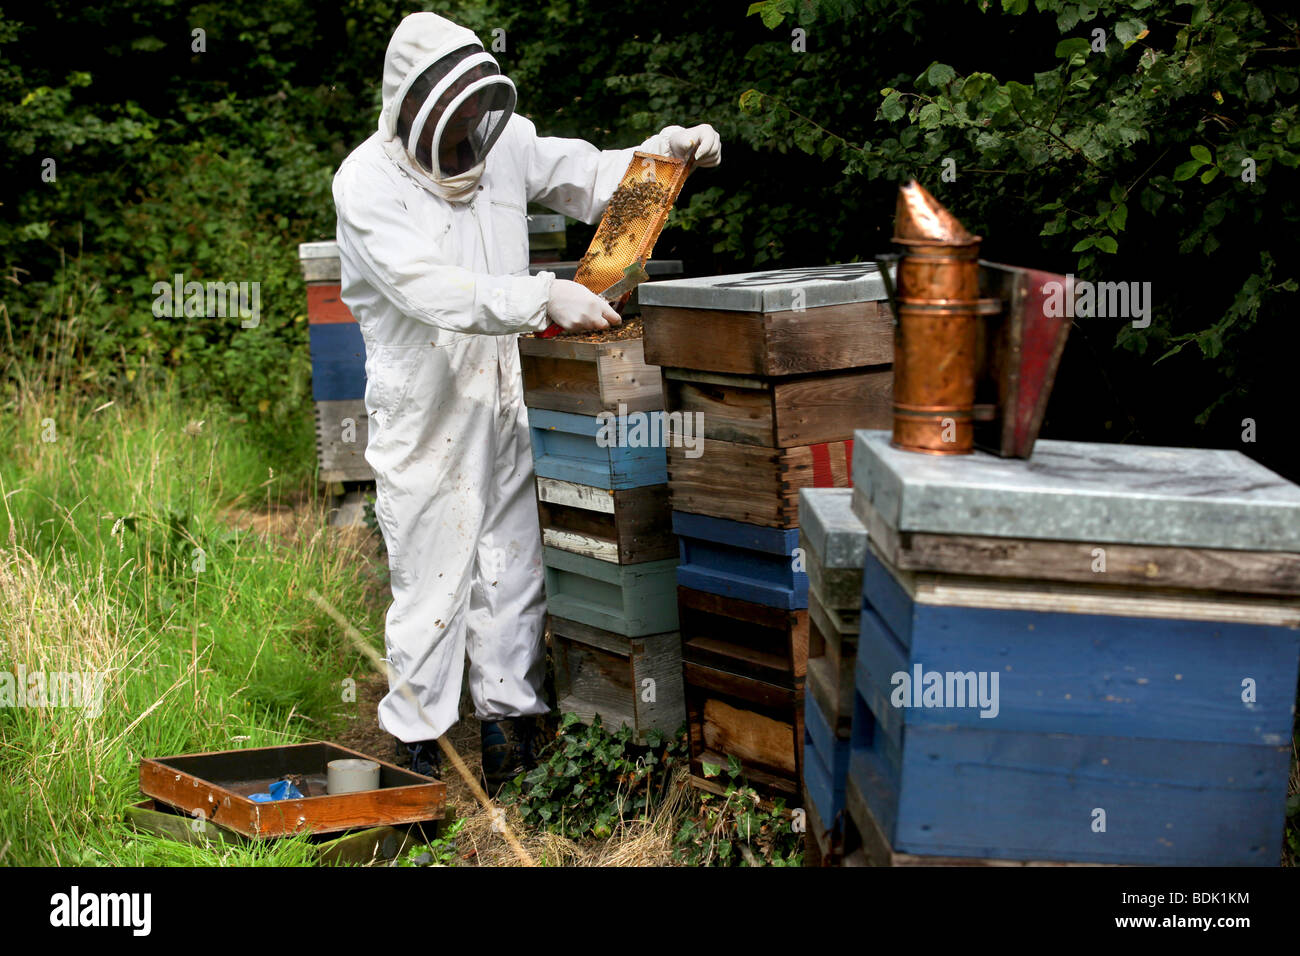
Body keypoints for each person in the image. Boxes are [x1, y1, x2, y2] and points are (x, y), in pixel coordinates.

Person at [332, 11, 721, 791]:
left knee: (514, 566)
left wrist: (663, 156)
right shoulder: (366, 182)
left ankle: (510, 731)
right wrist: (546, 295)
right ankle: (422, 748)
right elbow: (430, 288)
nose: (469, 136)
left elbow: (586, 175)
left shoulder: (501, 143)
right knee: (432, 576)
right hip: (426, 407)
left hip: (509, 390)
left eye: (478, 117)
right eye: (453, 123)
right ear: (409, 108)